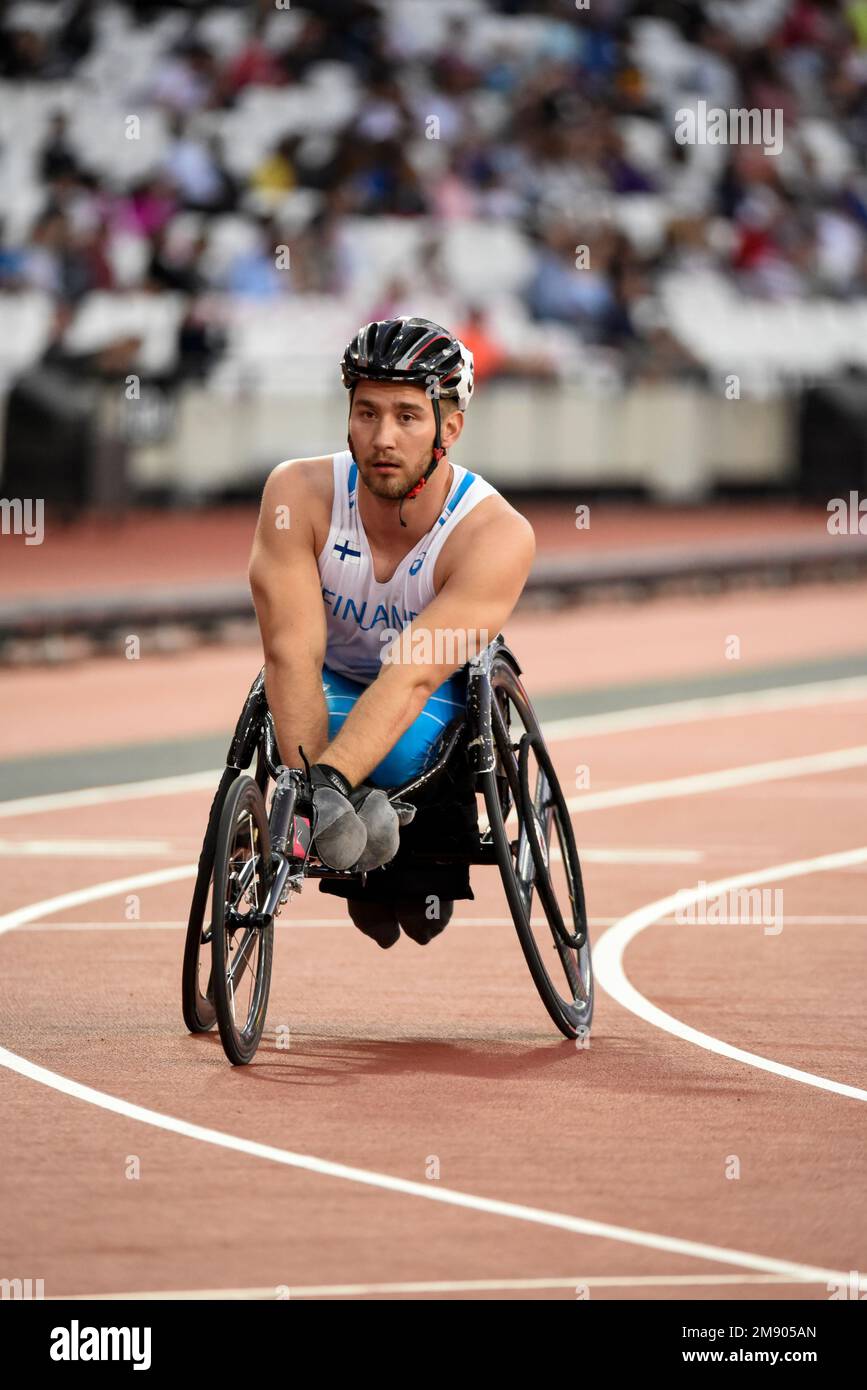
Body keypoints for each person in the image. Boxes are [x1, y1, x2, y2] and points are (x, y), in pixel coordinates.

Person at [247, 317, 535, 948]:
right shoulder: (296, 494)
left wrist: (331, 782)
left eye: (408, 416)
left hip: (428, 694)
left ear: (448, 427)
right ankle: (363, 861)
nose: (383, 438)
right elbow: (290, 651)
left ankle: (416, 861)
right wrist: (304, 789)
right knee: (294, 733)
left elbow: (414, 671)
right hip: (328, 678)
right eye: (367, 413)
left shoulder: (495, 533)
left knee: (419, 911)